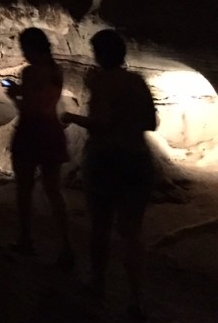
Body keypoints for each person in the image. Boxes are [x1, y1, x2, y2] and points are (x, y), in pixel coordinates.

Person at [62, 30, 157, 318]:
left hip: (106, 161)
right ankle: (136, 299)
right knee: (132, 233)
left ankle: (97, 284)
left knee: (101, 227)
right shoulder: (137, 81)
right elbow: (151, 123)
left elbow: (100, 122)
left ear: (100, 55)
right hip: (138, 160)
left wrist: (71, 117)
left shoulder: (102, 81)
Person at [4, 27, 73, 266]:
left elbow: (30, 108)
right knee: (54, 192)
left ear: (33, 49)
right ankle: (66, 245)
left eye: (25, 49)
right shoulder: (56, 71)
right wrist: (22, 90)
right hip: (52, 132)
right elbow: (43, 97)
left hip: (31, 132)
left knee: (24, 189)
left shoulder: (31, 72)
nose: (24, 54)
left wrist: (13, 97)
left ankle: (26, 240)